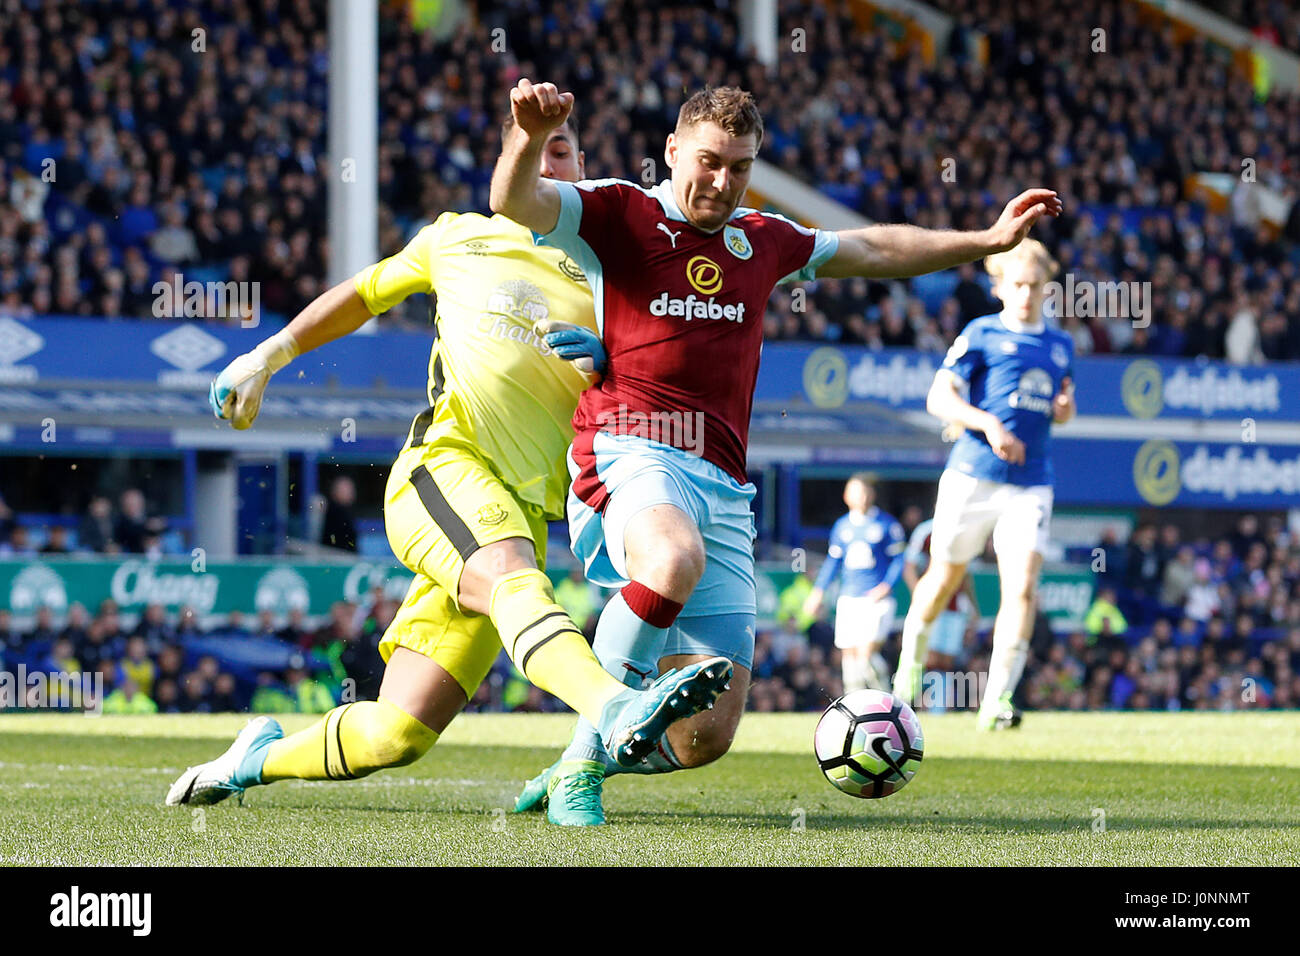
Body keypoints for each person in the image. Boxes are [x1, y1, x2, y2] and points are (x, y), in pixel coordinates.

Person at [491, 79, 1059, 823]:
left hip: (723, 483)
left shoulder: (760, 239)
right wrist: (529, 138)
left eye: (740, 167)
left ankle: (585, 756)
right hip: (628, 446)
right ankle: (577, 768)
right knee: (671, 559)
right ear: (671, 152)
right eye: (708, 161)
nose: (722, 181)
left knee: (706, 735)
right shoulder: (619, 211)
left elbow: (873, 247)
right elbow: (514, 201)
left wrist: (983, 242)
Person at [166, 108, 731, 809]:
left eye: (564, 153)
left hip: (521, 512)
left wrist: (613, 357)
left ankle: (250, 762)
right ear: (510, 166)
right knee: (515, 581)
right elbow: (363, 294)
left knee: (396, 734)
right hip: (444, 467)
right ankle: (615, 711)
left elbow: (667, 365)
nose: (552, 166)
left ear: (583, 170)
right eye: (537, 153)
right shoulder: (457, 237)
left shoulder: (606, 269)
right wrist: (267, 356)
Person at [894, 239, 1076, 731]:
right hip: (972, 475)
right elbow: (939, 398)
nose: (1025, 293)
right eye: (1017, 284)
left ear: (1047, 287)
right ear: (999, 286)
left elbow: (1063, 404)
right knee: (944, 578)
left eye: (1035, 285)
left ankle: (997, 700)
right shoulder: (982, 333)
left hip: (1032, 481)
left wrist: (1063, 411)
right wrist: (988, 424)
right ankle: (907, 675)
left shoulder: (1060, 344)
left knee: (1022, 590)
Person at [800, 474, 905, 693]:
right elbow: (833, 562)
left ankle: (886, 699)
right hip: (849, 596)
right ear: (847, 496)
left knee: (866, 654)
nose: (862, 497)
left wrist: (886, 586)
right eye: (857, 492)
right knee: (849, 655)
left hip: (876, 598)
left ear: (872, 495)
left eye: (866, 492)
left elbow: (899, 560)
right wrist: (818, 592)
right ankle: (854, 700)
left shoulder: (887, 525)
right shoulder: (842, 526)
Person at [893, 516, 977, 711]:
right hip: (931, 606)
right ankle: (908, 704)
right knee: (927, 657)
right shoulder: (926, 531)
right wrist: (920, 597)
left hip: (954, 610)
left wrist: (973, 608)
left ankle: (938, 709)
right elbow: (910, 567)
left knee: (946, 660)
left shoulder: (965, 529)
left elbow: (966, 576)